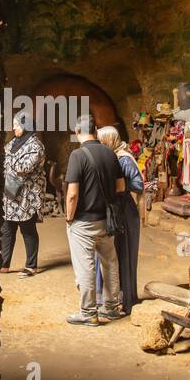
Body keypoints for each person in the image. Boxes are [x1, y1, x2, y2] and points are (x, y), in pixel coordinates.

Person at [63, 114, 124, 326]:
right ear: (96, 130)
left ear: (77, 133)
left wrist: (69, 217)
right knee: (109, 264)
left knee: (86, 267)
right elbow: (121, 188)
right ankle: (111, 308)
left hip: (84, 222)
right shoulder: (110, 154)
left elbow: (72, 194)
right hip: (106, 221)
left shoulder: (77, 156)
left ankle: (89, 313)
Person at [95, 126, 142, 313]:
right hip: (116, 210)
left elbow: (138, 184)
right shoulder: (113, 157)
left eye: (102, 141)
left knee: (124, 253)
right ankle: (110, 298)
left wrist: (118, 183)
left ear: (109, 141)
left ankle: (125, 299)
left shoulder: (124, 159)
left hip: (125, 212)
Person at [0, 113, 46, 276]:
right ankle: (4, 263)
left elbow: (24, 168)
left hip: (27, 195)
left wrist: (7, 160)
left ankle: (31, 266)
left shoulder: (36, 146)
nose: (14, 128)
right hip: (11, 193)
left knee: (27, 229)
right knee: (7, 228)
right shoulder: (13, 143)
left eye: (17, 125)